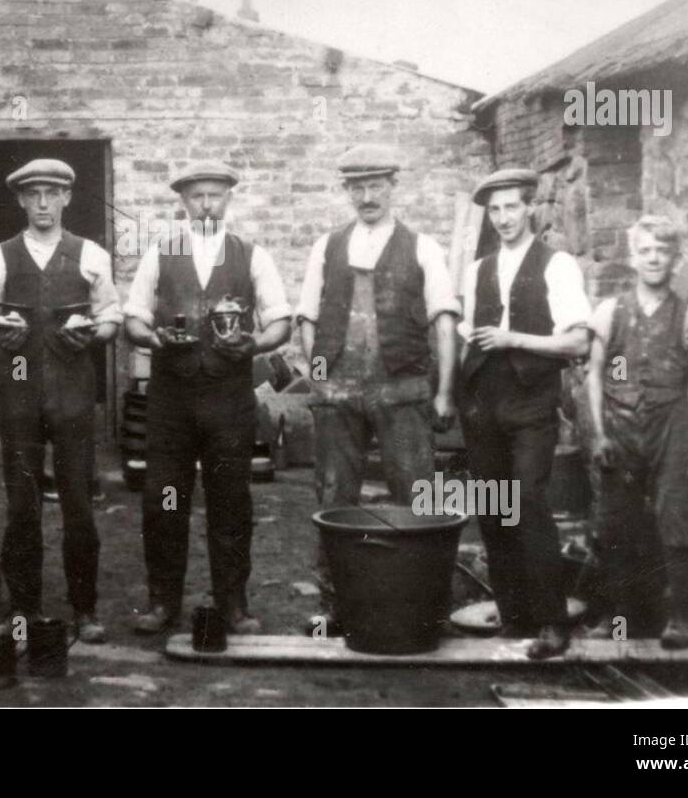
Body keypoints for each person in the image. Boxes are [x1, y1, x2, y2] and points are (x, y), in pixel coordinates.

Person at [294, 144, 460, 635]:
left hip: (403, 389)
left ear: (392, 188)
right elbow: (307, 318)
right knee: (331, 497)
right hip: (338, 392)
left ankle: (426, 606)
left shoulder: (422, 247)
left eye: (376, 187)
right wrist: (321, 377)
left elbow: (445, 322)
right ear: (347, 191)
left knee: (418, 497)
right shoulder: (327, 246)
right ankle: (333, 607)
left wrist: (445, 392)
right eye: (358, 188)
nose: (367, 197)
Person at [124, 162, 292, 635]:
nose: (205, 204)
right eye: (196, 196)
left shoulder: (251, 255)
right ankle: (163, 602)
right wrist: (153, 339)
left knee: (230, 500)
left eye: (214, 196)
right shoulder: (160, 253)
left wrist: (254, 344)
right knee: (164, 499)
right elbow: (132, 318)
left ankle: (233, 604)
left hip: (228, 398)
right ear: (183, 202)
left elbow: (281, 319)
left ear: (228, 200)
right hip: (171, 401)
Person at [0, 159, 121, 643]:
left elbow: (111, 318)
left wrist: (95, 334)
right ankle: (26, 607)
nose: (42, 203)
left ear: (66, 198)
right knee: (22, 504)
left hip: (74, 397)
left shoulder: (90, 254)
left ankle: (85, 609)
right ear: (20, 199)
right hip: (19, 395)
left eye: (51, 193)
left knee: (79, 504)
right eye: (33, 194)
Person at [457, 168, 591, 659]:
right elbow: (467, 331)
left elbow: (578, 340)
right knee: (495, 507)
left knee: (530, 501)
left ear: (530, 208)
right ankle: (513, 619)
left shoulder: (558, 266)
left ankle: (552, 623)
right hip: (484, 398)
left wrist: (515, 339)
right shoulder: (477, 271)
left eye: (512, 207)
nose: (504, 218)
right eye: (495, 210)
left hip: (532, 397)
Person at [585, 215, 688, 648]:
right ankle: (619, 617)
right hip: (620, 426)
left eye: (663, 251)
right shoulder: (610, 311)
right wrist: (598, 433)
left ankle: (680, 616)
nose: (654, 259)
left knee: (674, 517)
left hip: (671, 423)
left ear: (675, 258)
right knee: (616, 523)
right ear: (634, 258)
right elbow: (595, 374)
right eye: (646, 251)